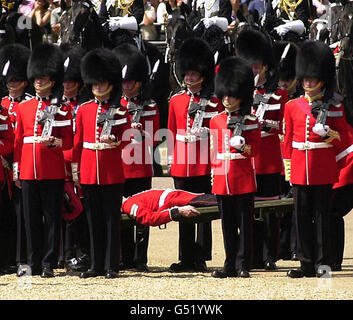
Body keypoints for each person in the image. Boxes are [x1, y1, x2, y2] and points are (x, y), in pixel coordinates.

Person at [283, 40, 351, 278]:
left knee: (322, 219)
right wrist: (290, 173)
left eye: (313, 79)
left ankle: (323, 263)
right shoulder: (292, 106)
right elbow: (288, 142)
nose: (309, 83)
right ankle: (305, 263)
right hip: (300, 170)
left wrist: (330, 134)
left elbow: (343, 140)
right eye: (306, 79)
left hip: (323, 170)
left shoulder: (334, 106)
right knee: (300, 218)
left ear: (322, 79)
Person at [14, 43, 73, 278]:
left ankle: (48, 262)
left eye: (43, 77)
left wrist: (56, 143)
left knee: (51, 219)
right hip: (28, 170)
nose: (38, 81)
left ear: (52, 79)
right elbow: (19, 141)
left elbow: (68, 141)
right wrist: (17, 169)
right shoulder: (24, 107)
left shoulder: (62, 108)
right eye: (36, 78)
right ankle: (31, 262)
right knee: (30, 221)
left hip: (52, 170)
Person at [72, 48, 130, 279]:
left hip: (111, 171)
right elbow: (77, 143)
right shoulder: (84, 109)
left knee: (111, 220)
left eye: (101, 82)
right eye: (94, 83)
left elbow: (127, 139)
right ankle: (96, 265)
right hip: (88, 171)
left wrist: (115, 139)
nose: (97, 86)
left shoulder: (120, 109)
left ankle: (112, 265)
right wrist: (75, 170)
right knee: (93, 220)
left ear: (110, 83)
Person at [167, 38, 223, 272]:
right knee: (183, 210)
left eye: (193, 74)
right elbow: (170, 131)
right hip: (182, 162)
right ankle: (186, 257)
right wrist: (171, 160)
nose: (189, 78)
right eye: (186, 74)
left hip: (203, 162)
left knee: (203, 210)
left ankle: (201, 256)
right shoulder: (176, 100)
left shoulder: (214, 101)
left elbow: (220, 130)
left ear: (202, 73)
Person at [235, 27, 289, 271]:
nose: (254, 71)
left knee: (270, 211)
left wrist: (264, 123)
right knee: (248, 210)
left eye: (257, 67)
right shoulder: (241, 94)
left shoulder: (279, 94)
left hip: (268, 158)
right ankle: (252, 253)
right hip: (246, 159)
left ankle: (270, 254)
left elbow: (284, 128)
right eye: (251, 66)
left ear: (266, 66)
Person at [210, 56, 261, 278]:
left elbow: (255, 151)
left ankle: (243, 264)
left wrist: (243, 147)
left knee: (245, 225)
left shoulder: (250, 121)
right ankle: (230, 263)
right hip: (222, 180)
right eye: (225, 95)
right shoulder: (216, 120)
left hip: (242, 178)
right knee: (227, 226)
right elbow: (214, 152)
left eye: (231, 95)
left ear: (240, 96)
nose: (227, 99)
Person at [113, 42, 160, 271]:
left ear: (139, 81)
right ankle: (125, 256)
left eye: (130, 81)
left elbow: (156, 138)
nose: (127, 85)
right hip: (121, 166)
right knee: (123, 214)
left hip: (140, 167)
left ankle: (141, 258)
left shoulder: (150, 106)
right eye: (124, 81)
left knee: (143, 214)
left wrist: (142, 134)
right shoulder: (115, 106)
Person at [0, 43, 32, 275]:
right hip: (4, 166)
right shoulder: (2, 104)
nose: (11, 83)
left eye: (15, 79)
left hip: (22, 162)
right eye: (9, 79)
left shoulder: (30, 103)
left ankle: (22, 256)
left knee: (23, 214)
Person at [58, 44, 90, 273]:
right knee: (62, 209)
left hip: (79, 162)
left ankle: (78, 252)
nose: (67, 85)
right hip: (58, 162)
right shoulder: (55, 106)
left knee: (78, 209)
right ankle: (63, 253)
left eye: (71, 82)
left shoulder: (83, 106)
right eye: (65, 82)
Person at [273, 40, 301, 261]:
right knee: (277, 206)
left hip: (292, 157)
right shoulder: (275, 98)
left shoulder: (299, 101)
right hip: (277, 156)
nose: (283, 84)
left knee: (293, 206)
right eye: (281, 80)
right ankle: (279, 246)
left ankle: (293, 246)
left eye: (287, 80)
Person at [122, 189, 218, 226]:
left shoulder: (128, 205)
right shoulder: (128, 203)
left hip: (176, 199)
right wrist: (177, 211)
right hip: (175, 199)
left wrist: (177, 211)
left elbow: (150, 218)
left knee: (224, 203)